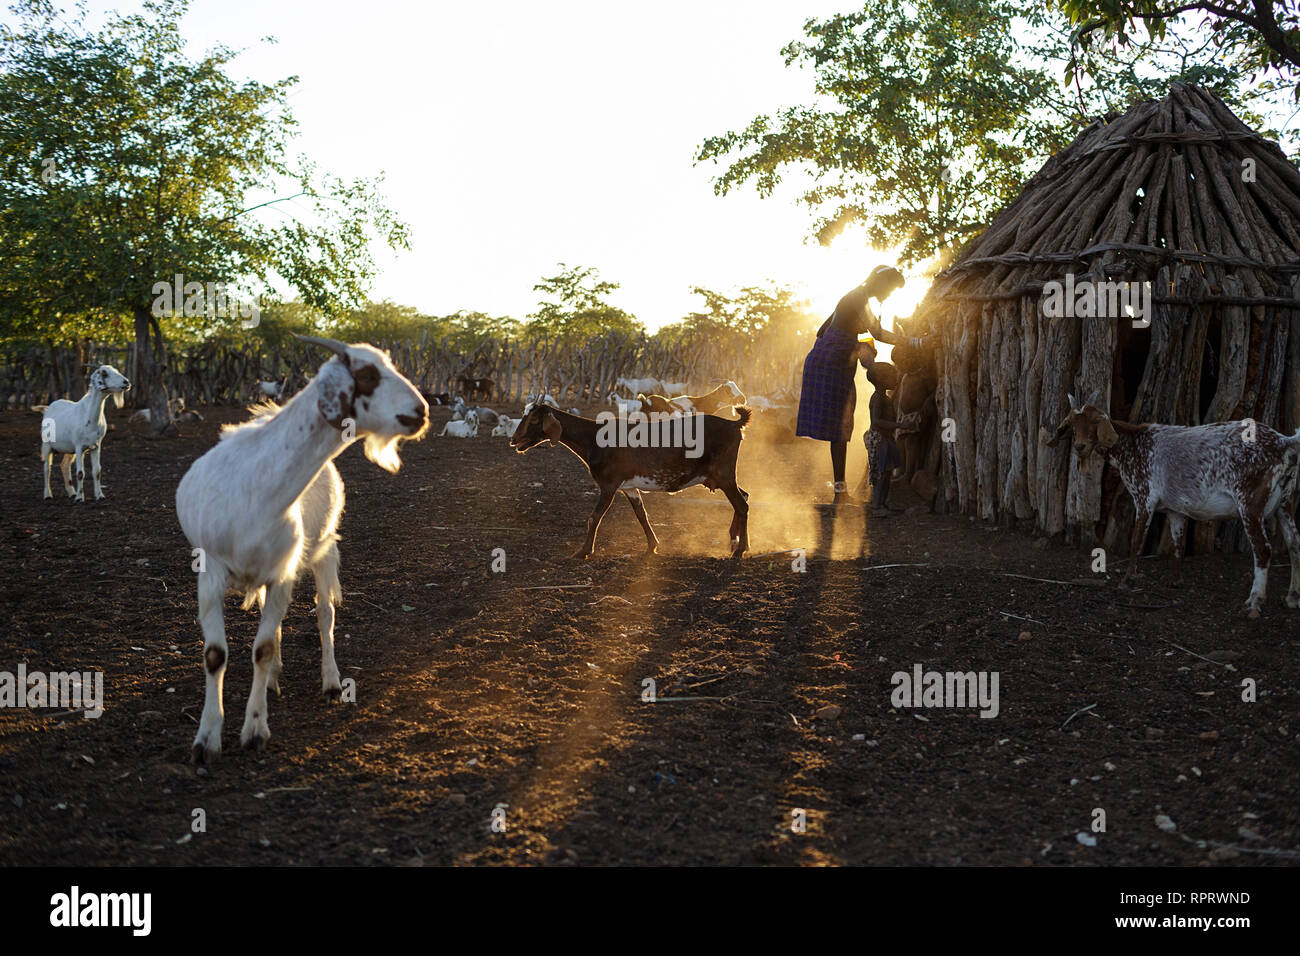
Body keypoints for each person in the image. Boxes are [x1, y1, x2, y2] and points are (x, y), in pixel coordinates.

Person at [795, 265, 919, 508]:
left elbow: (824, 329)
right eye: (891, 289)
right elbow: (876, 331)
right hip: (831, 362)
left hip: (828, 359)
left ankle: (840, 491)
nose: (890, 294)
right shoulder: (859, 297)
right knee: (838, 427)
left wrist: (859, 344)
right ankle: (840, 493)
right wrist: (912, 342)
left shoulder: (856, 297)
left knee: (841, 428)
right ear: (880, 282)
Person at [860, 361, 913, 515]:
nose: (896, 379)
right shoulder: (877, 398)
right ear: (882, 380)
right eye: (892, 376)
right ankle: (877, 505)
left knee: (887, 472)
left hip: (886, 439)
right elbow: (876, 421)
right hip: (880, 439)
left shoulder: (884, 397)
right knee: (881, 474)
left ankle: (882, 504)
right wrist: (899, 425)